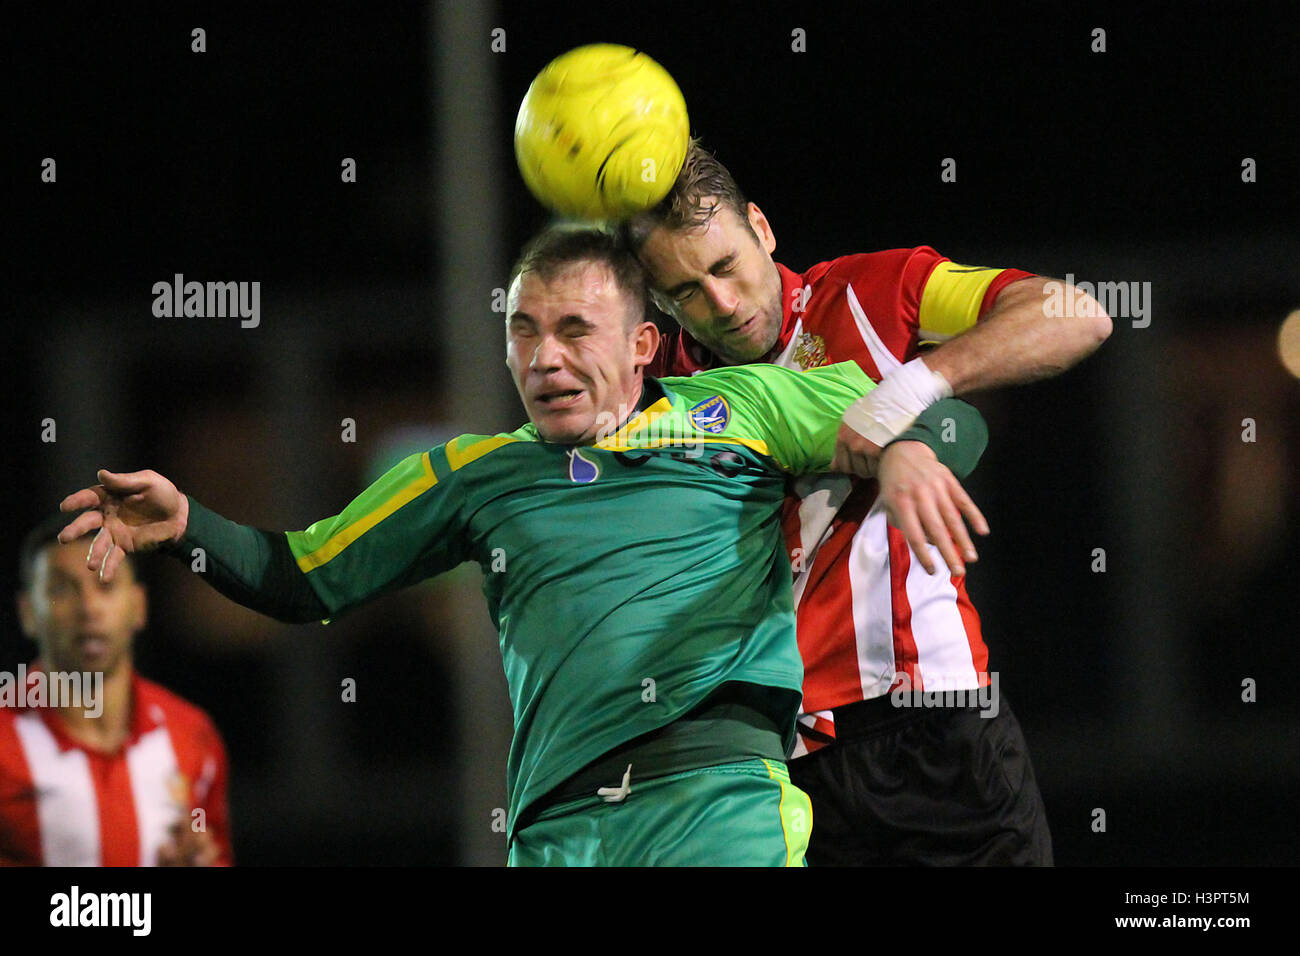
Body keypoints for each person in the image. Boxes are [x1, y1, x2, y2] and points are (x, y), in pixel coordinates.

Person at [57, 227, 989, 866]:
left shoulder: (739, 407)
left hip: (719, 805)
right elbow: (306, 577)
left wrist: (902, 451)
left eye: (575, 330)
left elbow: (938, 425)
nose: (544, 357)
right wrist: (188, 528)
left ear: (644, 347)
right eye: (523, 332)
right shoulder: (471, 475)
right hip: (558, 830)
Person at [621, 142, 1113, 865]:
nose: (722, 304)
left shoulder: (878, 290)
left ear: (761, 227)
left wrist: (917, 386)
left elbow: (1078, 314)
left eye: (726, 266)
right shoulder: (650, 386)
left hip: (934, 731)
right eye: (688, 292)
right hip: (770, 768)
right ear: (659, 304)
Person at [0, 514, 233, 866]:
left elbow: (215, 853)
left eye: (106, 585)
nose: (89, 609)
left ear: (138, 606)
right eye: (62, 588)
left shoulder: (192, 736)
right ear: (28, 613)